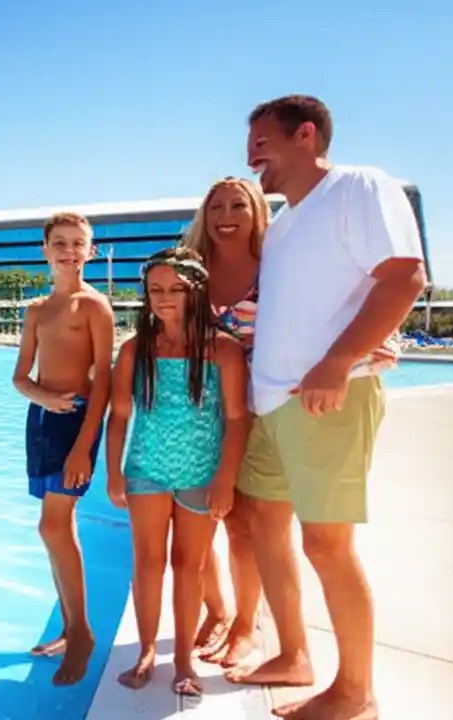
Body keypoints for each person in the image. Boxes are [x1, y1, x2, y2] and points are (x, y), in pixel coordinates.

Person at [230, 95, 427, 720]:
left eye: (262, 139)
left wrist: (342, 360)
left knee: (327, 545)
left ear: (306, 134)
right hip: (274, 404)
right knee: (263, 520)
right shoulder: (285, 224)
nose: (251, 152)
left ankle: (355, 692)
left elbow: (404, 276)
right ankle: (293, 654)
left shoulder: (359, 187)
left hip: (325, 399)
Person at [105, 248, 250, 697]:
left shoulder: (222, 350)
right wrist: (113, 472)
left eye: (177, 290)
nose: (165, 298)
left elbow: (238, 419)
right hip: (147, 469)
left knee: (191, 566)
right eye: (156, 290)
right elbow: (120, 416)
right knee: (148, 562)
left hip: (200, 474)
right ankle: (147, 649)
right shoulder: (135, 350)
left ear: (197, 293)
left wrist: (225, 478)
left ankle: (184, 658)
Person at [11, 211, 115, 686]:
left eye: (79, 243)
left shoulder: (94, 307)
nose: (70, 251)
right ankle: (70, 627)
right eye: (60, 243)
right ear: (45, 250)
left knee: (53, 525)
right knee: (54, 527)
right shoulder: (36, 310)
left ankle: (82, 634)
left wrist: (83, 445)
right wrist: (44, 399)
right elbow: (20, 378)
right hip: (40, 422)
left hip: (77, 422)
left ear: (90, 251)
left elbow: (105, 382)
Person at [178, 176, 271, 669]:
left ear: (257, 212)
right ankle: (216, 610)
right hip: (195, 408)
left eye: (239, 204)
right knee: (195, 516)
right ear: (204, 214)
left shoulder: (275, 267)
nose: (226, 215)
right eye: (216, 206)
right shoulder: (191, 269)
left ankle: (246, 622)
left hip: (254, 408)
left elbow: (321, 311)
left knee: (241, 520)